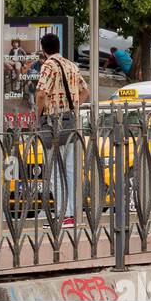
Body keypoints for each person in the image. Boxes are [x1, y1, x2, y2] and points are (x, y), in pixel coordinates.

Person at [34, 32, 88, 230]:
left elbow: (41, 94)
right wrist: (73, 108)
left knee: (55, 170)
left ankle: (62, 215)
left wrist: (37, 116)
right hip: (70, 122)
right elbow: (85, 91)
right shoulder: (71, 65)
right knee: (71, 169)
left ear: (43, 49)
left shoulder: (48, 65)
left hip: (52, 122)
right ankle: (72, 215)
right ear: (58, 46)